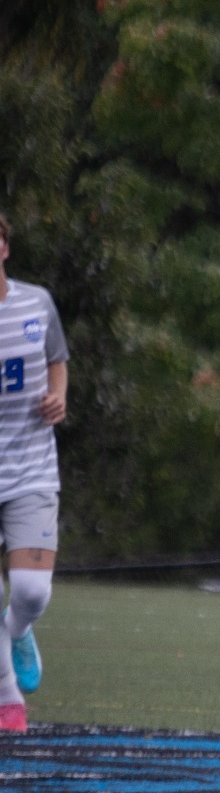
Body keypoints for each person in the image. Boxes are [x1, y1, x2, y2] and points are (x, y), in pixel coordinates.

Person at [0, 212, 68, 732]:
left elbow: (56, 359)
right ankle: (8, 701)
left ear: (4, 247)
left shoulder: (36, 302)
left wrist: (58, 397)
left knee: (30, 593)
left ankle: (17, 629)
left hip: (31, 469)